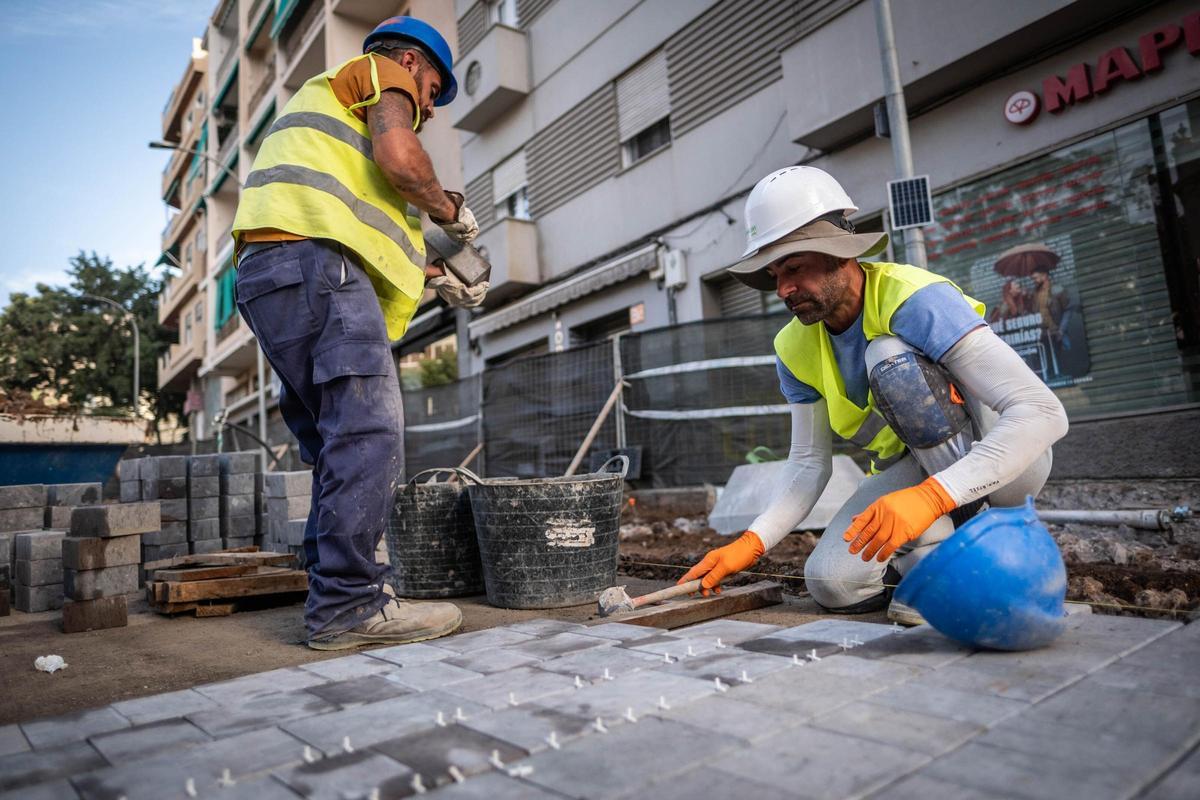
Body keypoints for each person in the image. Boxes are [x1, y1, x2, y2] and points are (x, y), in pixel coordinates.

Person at [679, 167, 1069, 621]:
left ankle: (981, 553)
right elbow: (808, 464)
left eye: (794, 267)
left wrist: (932, 498)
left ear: (839, 254)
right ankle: (930, 559)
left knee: (888, 356)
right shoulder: (793, 346)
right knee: (832, 581)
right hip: (912, 475)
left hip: (999, 466)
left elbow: (1042, 413)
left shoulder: (914, 299)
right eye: (774, 273)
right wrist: (752, 541)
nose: (782, 288)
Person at [231, 17, 485, 650]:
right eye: (433, 90)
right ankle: (348, 605)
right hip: (313, 267)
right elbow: (402, 161)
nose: (427, 105)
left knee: (335, 443)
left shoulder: (339, 126)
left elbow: (358, 221)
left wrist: (429, 272)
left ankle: (337, 594)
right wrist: (450, 211)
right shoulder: (381, 73)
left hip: (277, 276)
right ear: (410, 61)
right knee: (368, 431)